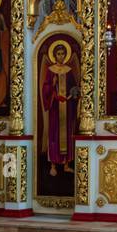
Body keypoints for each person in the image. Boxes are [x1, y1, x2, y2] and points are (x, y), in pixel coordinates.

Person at [40, 41, 79, 177]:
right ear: (55, 56)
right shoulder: (51, 71)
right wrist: (53, 86)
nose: (61, 56)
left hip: (67, 107)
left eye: (63, 54)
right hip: (55, 107)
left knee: (67, 133)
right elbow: (45, 89)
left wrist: (72, 95)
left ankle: (66, 164)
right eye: (58, 54)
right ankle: (53, 165)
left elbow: (75, 87)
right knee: (55, 134)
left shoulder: (69, 71)